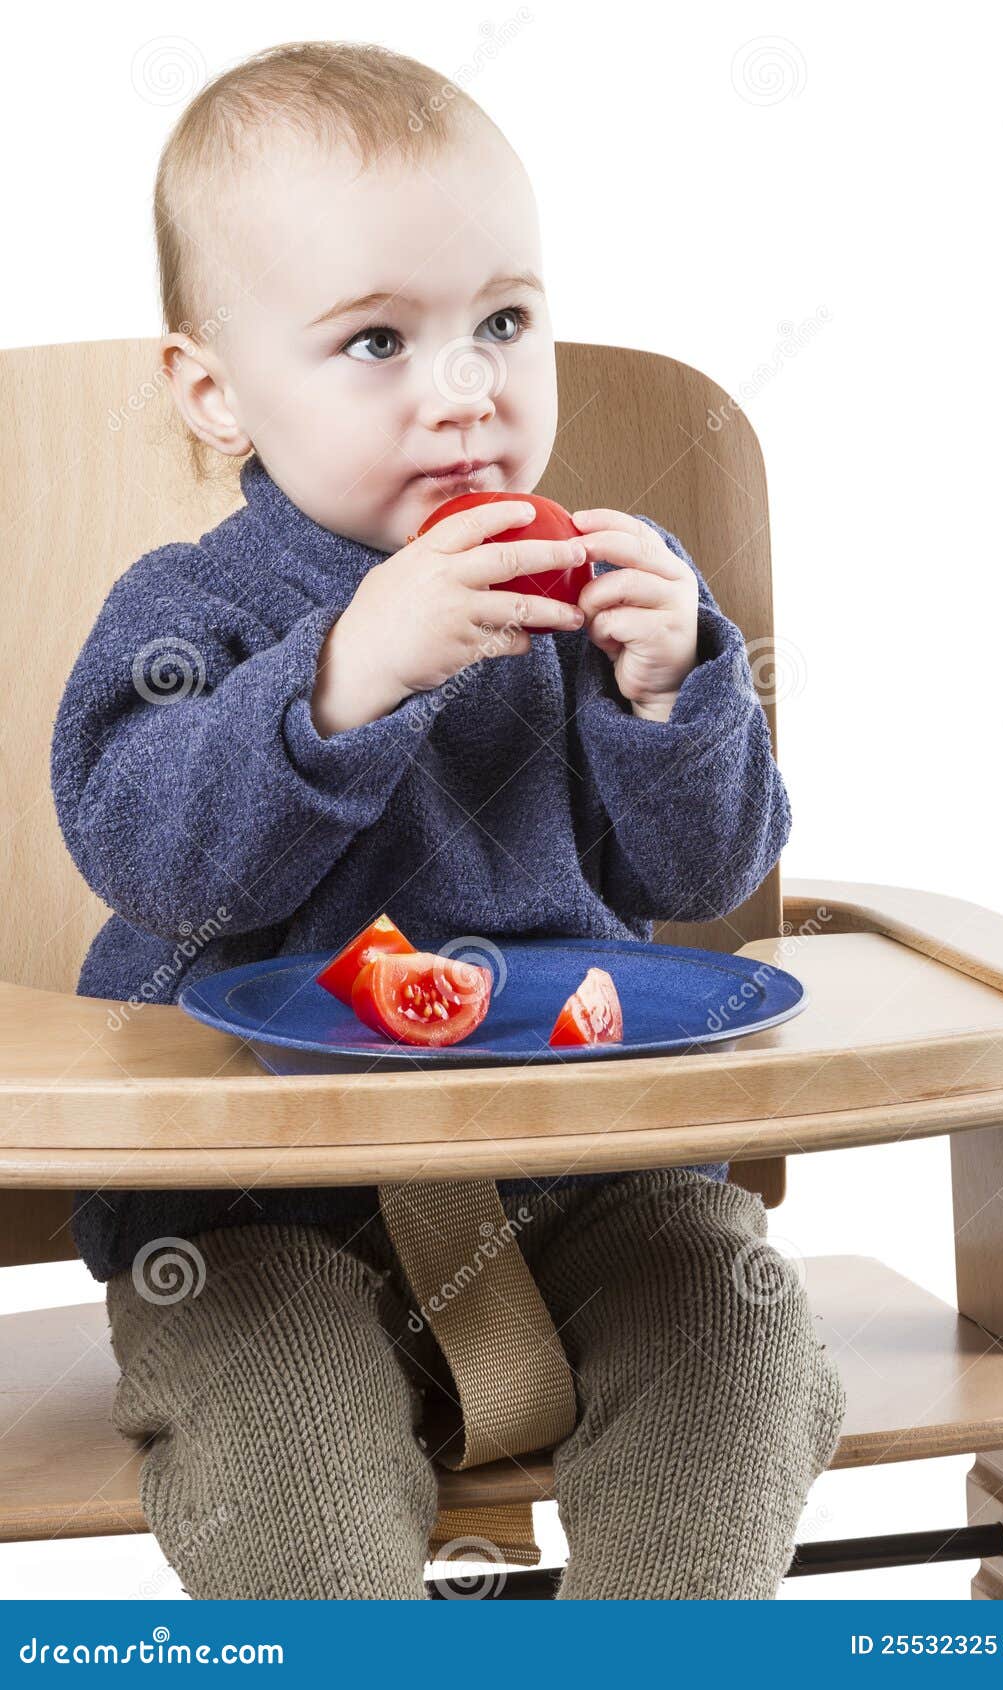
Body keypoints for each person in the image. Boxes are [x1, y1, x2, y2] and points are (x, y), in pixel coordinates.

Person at [51, 40, 844, 1600]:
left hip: (590, 1171)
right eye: (376, 342)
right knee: (282, 1436)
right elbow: (145, 848)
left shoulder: (605, 592)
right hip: (253, 1205)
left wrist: (677, 695)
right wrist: (339, 683)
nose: (467, 390)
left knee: (739, 1335)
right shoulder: (185, 611)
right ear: (214, 389)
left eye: (501, 321)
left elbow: (708, 883)